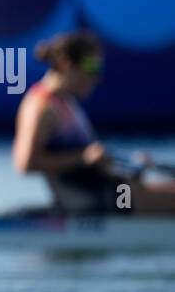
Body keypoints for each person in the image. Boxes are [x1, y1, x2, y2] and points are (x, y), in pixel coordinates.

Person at [13, 30, 175, 213]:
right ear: (67, 64)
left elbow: (91, 160)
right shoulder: (41, 106)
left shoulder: (67, 103)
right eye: (92, 68)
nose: (97, 78)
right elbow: (25, 163)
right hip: (90, 202)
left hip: (110, 192)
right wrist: (83, 158)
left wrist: (129, 162)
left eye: (100, 69)